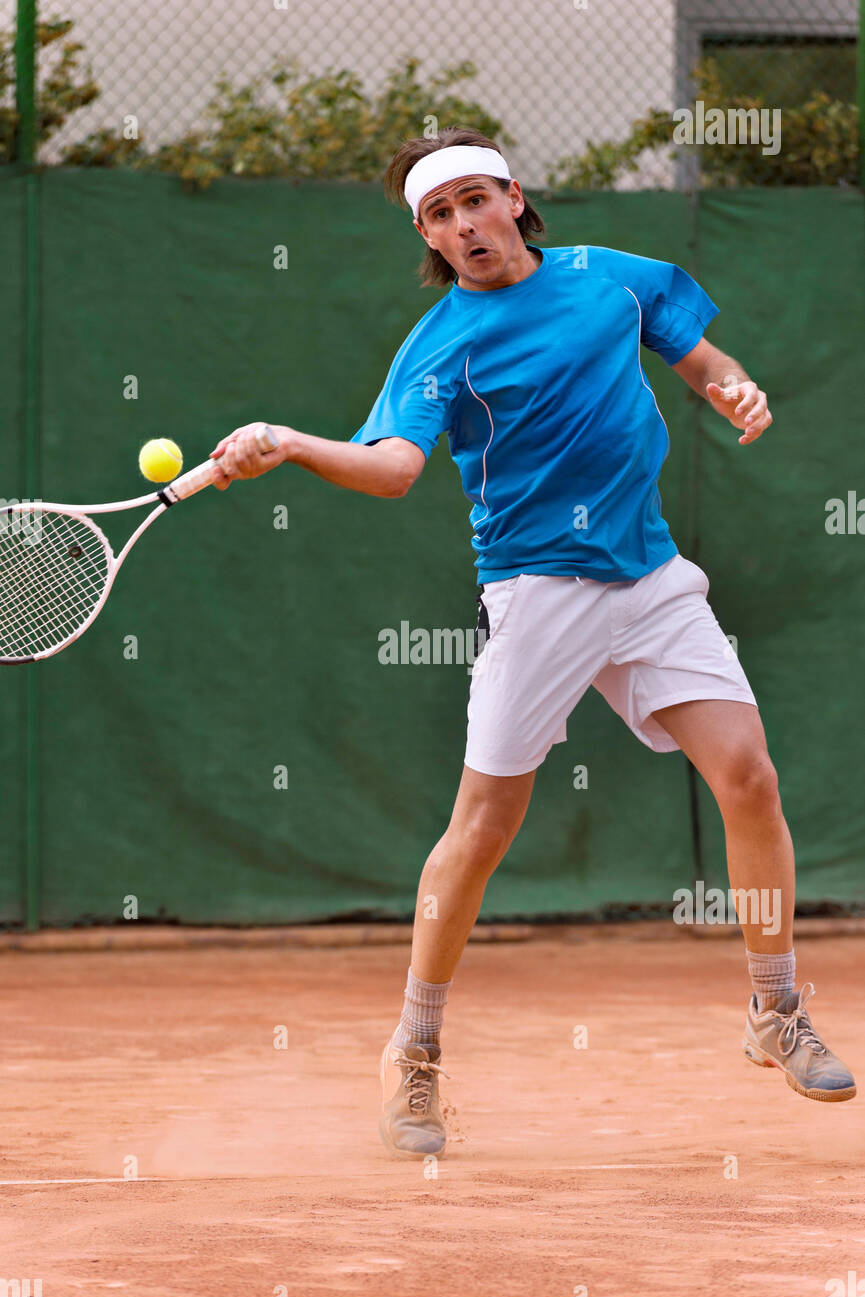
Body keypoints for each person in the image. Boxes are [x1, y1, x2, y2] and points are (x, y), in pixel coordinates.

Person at [210, 126, 856, 1159]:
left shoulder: (612, 279)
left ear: (513, 197)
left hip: (647, 574)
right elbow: (393, 469)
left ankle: (774, 1008)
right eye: (439, 214)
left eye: (475, 199)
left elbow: (697, 359)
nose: (463, 224)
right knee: (482, 827)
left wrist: (732, 386)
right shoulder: (441, 344)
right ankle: (415, 1049)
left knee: (747, 776)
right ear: (428, 237)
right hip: (535, 590)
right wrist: (289, 445)